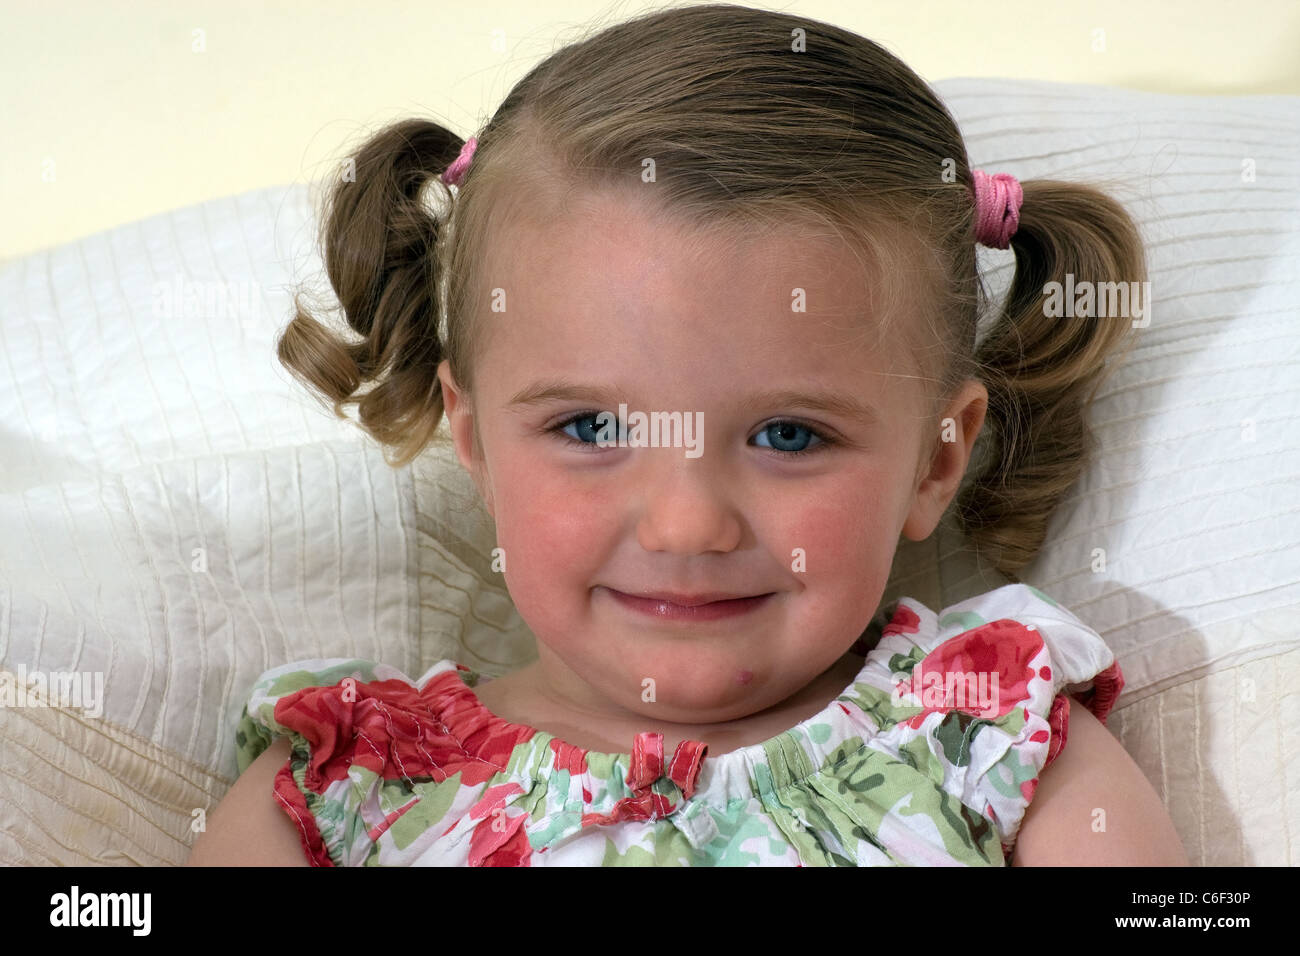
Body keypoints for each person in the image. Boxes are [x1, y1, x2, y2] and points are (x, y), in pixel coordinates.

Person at [188, 3, 1186, 866]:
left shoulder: (988, 728)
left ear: (934, 457)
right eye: (589, 425)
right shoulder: (345, 787)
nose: (685, 524)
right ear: (477, 442)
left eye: (788, 435)